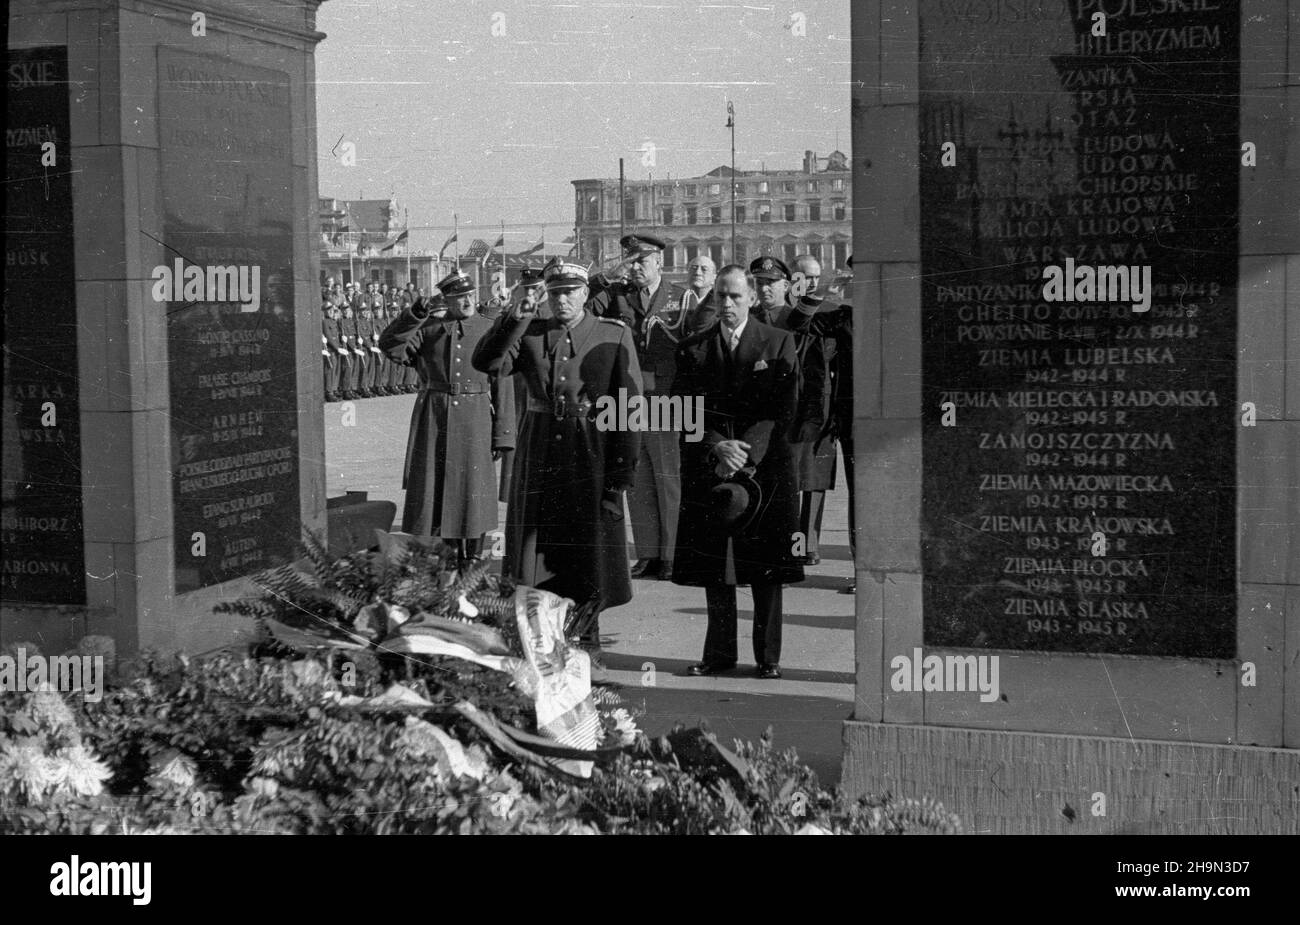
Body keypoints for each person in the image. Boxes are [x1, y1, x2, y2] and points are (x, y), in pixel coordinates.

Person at [472, 259, 642, 662]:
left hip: (591, 450)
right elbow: (486, 362)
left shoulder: (613, 336)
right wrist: (516, 313)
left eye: (570, 291)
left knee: (588, 546)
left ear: (586, 294)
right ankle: (542, 639)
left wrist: (620, 472)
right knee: (536, 543)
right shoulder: (529, 332)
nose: (563, 299)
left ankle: (587, 639)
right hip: (541, 449)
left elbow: (629, 410)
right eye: (556, 292)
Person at [671, 264, 803, 679]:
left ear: (751, 298)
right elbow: (683, 408)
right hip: (711, 465)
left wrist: (746, 452)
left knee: (765, 566)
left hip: (763, 468)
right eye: (722, 296)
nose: (727, 304)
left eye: (736, 297)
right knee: (715, 565)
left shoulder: (779, 342)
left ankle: (768, 658)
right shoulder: (693, 347)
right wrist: (717, 447)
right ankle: (719, 654)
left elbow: (785, 408)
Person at [379, 270, 509, 562]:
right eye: (458, 297)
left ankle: (473, 558)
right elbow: (390, 345)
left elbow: (503, 381)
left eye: (469, 295)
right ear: (447, 301)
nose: (466, 301)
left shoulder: (491, 328)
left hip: (476, 417)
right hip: (435, 417)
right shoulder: (429, 330)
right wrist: (416, 313)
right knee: (438, 488)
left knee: (474, 490)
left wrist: (503, 434)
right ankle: (448, 556)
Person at [588, 233, 683, 581]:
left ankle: (672, 554)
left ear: (659, 260)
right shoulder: (616, 296)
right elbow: (585, 304)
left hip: (669, 401)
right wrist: (607, 274)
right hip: (626, 402)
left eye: (642, 261)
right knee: (637, 480)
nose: (636, 268)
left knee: (669, 480)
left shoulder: (680, 297)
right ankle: (647, 554)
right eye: (630, 261)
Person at [789, 254, 857, 592]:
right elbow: (799, 324)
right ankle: (863, 570)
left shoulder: (899, 311)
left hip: (889, 420)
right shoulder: (842, 315)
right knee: (860, 498)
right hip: (849, 419)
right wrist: (823, 292)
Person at [494, 265, 549, 504]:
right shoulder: (516, 312)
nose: (530, 293)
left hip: (543, 387)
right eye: (527, 289)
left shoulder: (554, 312)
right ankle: (513, 493)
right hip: (518, 385)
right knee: (516, 435)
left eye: (535, 288)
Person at [681, 255, 719, 335]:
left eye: (704, 269)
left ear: (714, 278)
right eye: (694, 268)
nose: (697, 273)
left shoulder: (719, 303)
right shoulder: (679, 299)